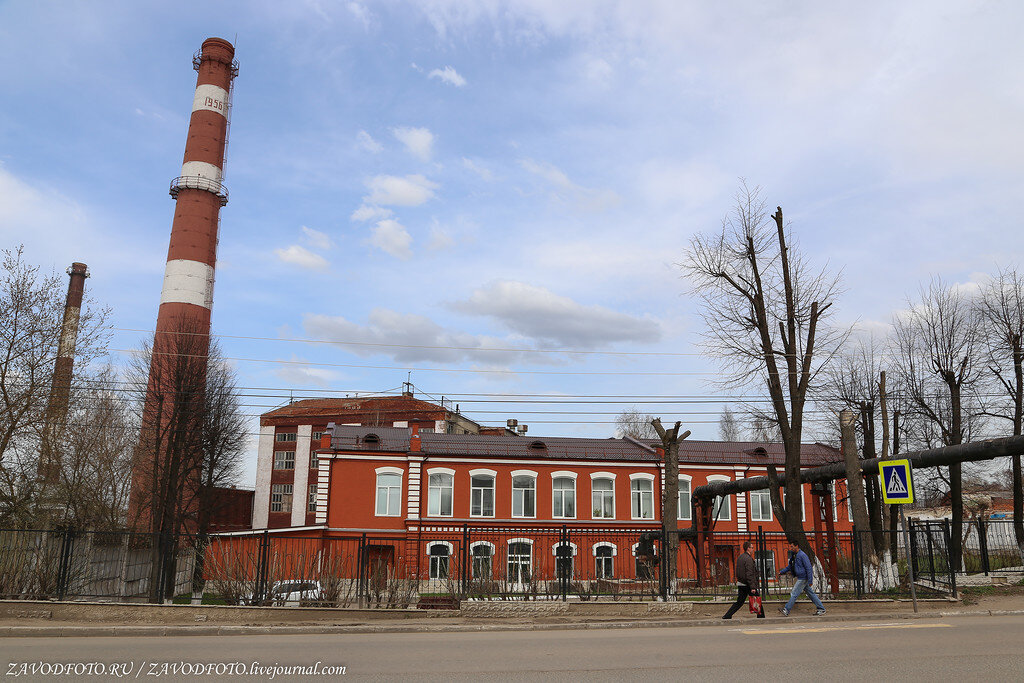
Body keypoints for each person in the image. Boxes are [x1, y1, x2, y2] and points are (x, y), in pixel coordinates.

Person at [778, 539, 826, 616]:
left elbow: (808, 567)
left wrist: (810, 580)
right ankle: (821, 608)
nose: (791, 548)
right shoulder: (794, 555)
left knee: (794, 593)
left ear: (797, 546)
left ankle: (786, 610)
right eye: (790, 546)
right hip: (801, 577)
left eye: (792, 546)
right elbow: (790, 566)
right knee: (811, 594)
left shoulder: (802, 555)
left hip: (803, 578)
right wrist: (782, 571)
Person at [723, 541, 764, 619]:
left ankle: (727, 615)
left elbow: (739, 571)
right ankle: (761, 617)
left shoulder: (740, 557)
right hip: (748, 584)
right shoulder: (748, 559)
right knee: (757, 600)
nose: (753, 549)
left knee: (739, 602)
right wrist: (752, 587)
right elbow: (749, 574)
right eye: (752, 547)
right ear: (748, 548)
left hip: (741, 583)